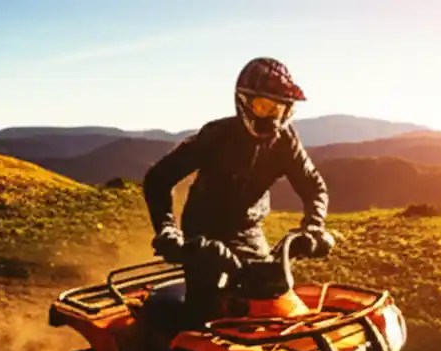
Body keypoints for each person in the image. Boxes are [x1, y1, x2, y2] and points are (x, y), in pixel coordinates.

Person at [141, 57, 333, 323]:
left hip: (249, 232)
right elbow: (158, 178)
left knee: (271, 302)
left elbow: (313, 186)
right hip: (204, 236)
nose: (270, 116)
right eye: (263, 106)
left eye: (278, 109)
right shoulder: (216, 136)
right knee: (204, 318)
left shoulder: (286, 141)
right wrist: (167, 229)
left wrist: (314, 226)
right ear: (243, 101)